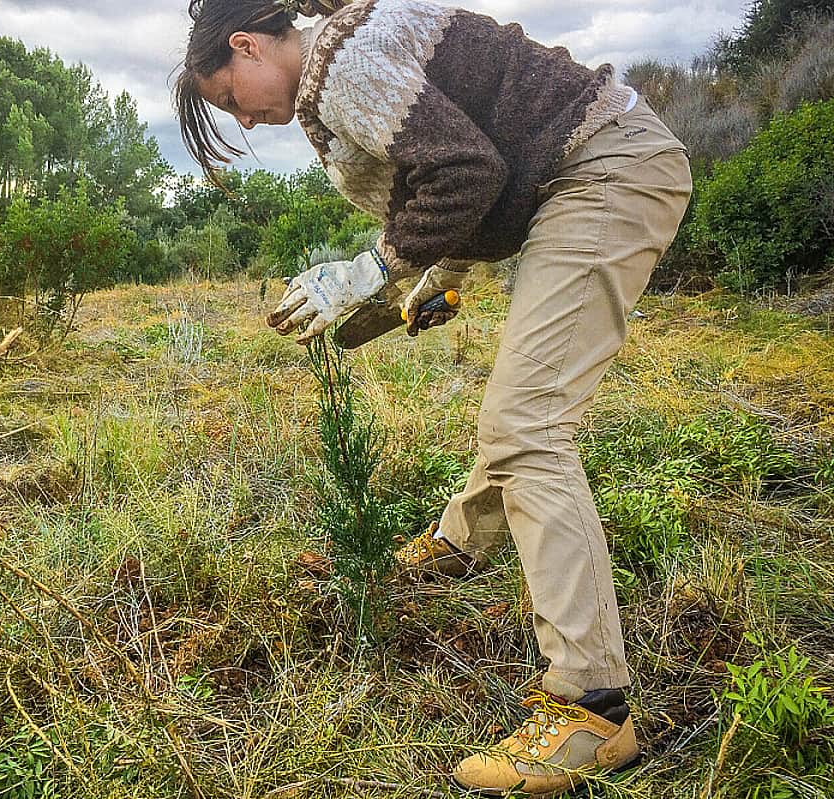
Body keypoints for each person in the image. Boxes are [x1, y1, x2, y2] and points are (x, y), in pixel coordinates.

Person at [174, 0, 691, 794]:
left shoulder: (339, 65)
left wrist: (367, 271)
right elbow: (459, 170)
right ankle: (460, 543)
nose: (242, 117)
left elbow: (467, 169)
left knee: (527, 424)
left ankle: (593, 707)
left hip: (606, 169)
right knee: (523, 403)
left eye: (228, 96)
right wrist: (438, 275)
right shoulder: (333, 77)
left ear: (247, 46)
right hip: (576, 178)